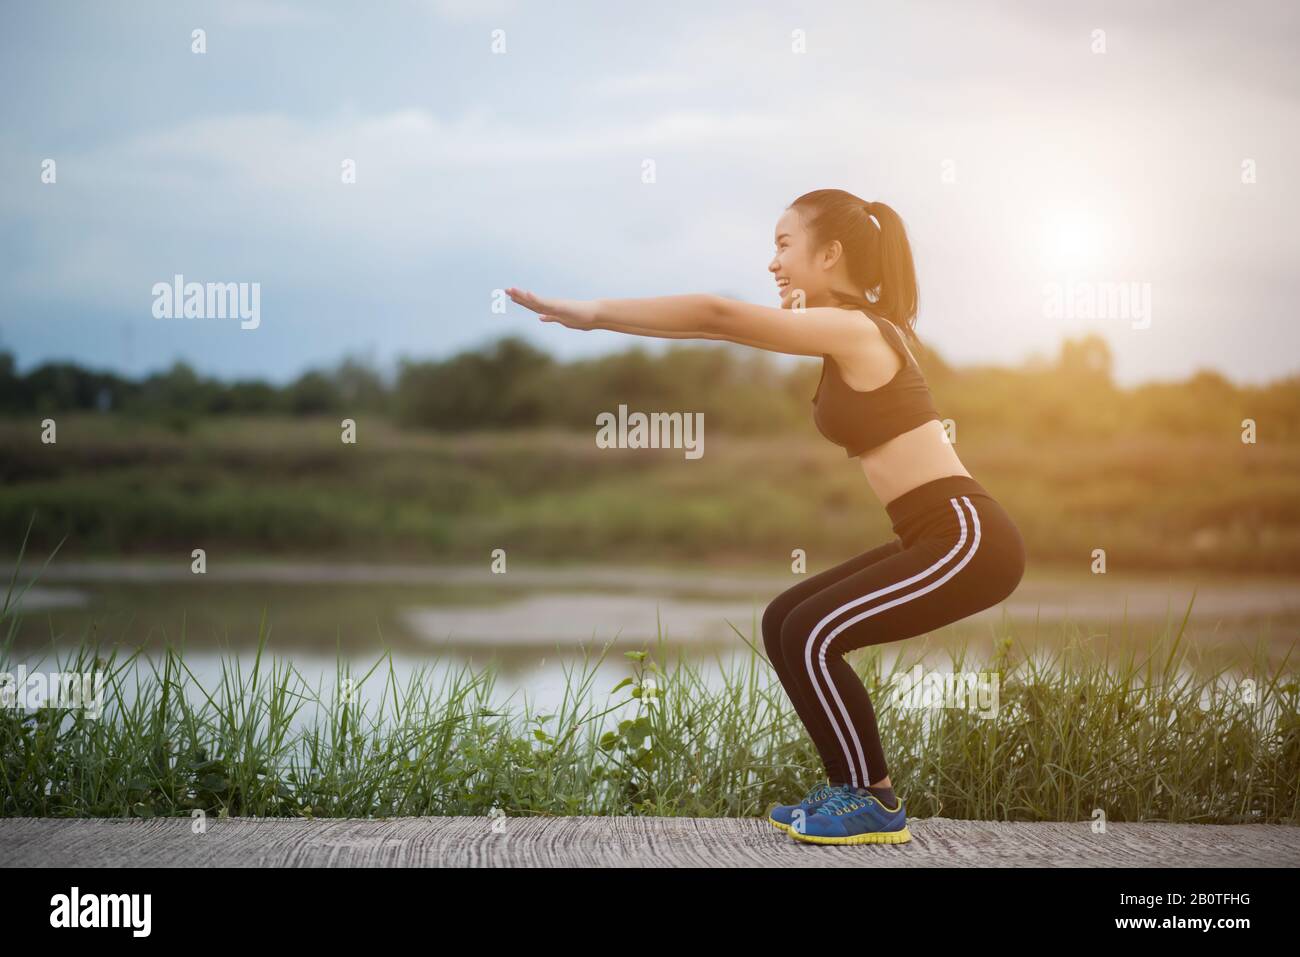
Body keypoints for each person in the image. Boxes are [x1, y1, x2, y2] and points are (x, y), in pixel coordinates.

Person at [506, 187, 1026, 846]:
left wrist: (596, 313)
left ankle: (876, 801)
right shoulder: (846, 331)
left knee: (812, 630)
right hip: (933, 532)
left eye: (784, 245)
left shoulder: (857, 326)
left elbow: (717, 315)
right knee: (785, 618)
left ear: (830, 253)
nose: (773, 264)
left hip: (968, 537)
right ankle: (853, 788)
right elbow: (715, 324)